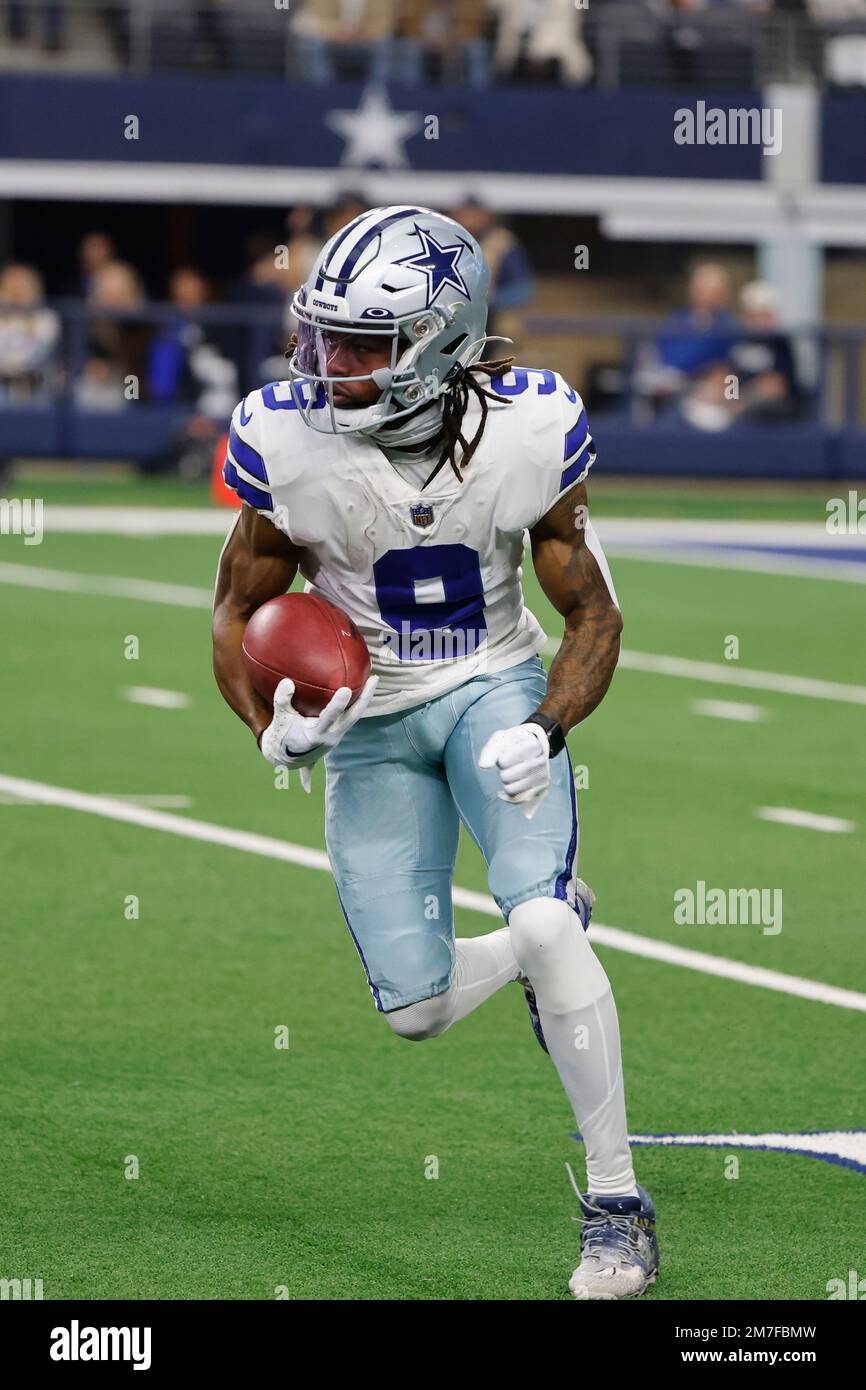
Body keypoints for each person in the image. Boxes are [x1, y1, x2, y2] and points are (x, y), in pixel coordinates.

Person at [212, 204, 659, 1300]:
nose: (328, 365)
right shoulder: (284, 437)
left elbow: (592, 614)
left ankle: (618, 1209)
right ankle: (546, 938)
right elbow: (235, 610)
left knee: (541, 916)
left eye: (361, 344)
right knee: (414, 1008)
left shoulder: (527, 424)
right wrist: (270, 727)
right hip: (368, 720)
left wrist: (544, 726)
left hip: (489, 685)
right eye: (324, 336)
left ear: (439, 344)